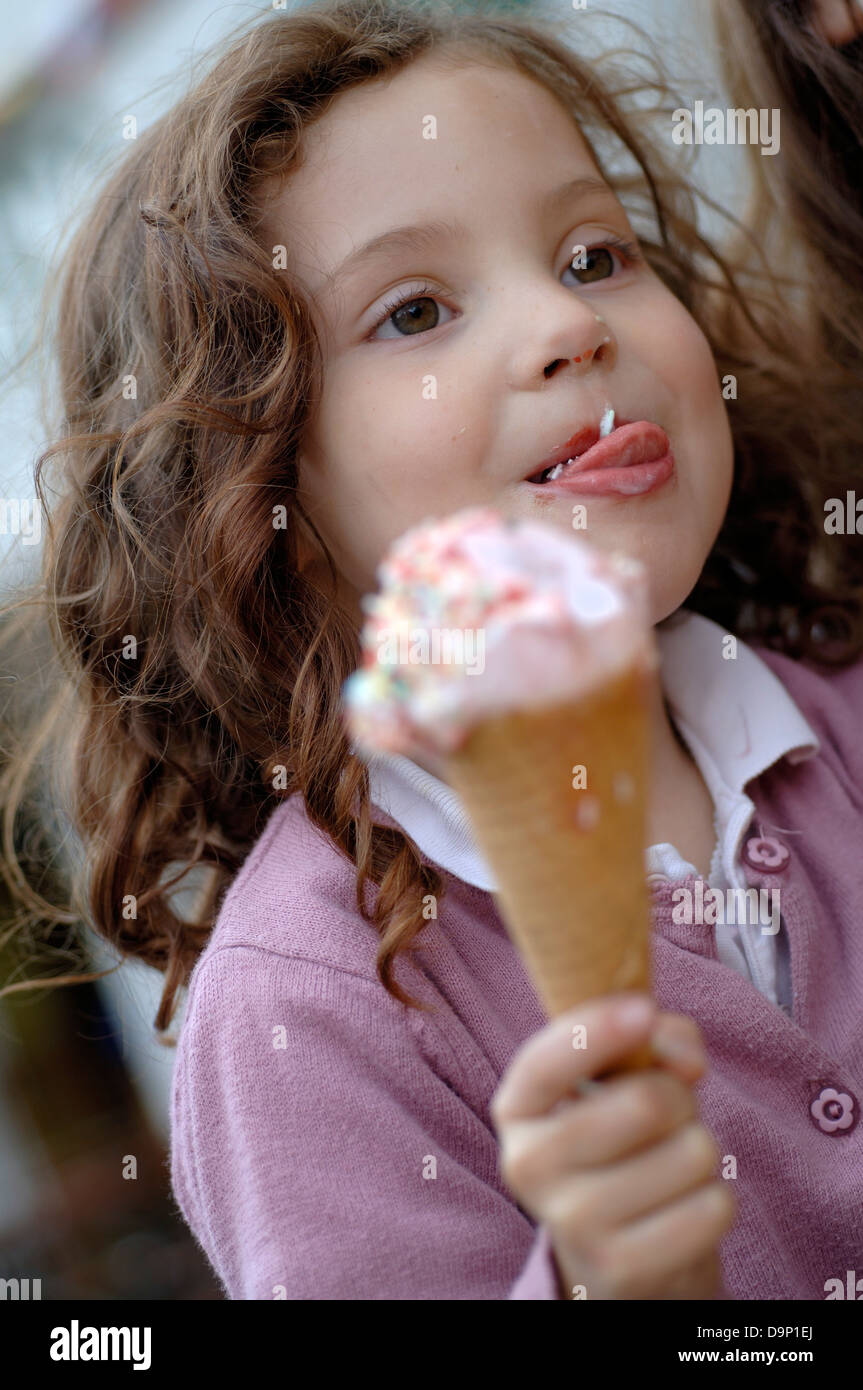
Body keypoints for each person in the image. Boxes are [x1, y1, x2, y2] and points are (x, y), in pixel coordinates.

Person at [2, 0, 862, 1300]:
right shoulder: (302, 1013)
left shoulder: (842, 715)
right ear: (262, 500)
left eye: (594, 254)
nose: (571, 326)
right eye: (414, 312)